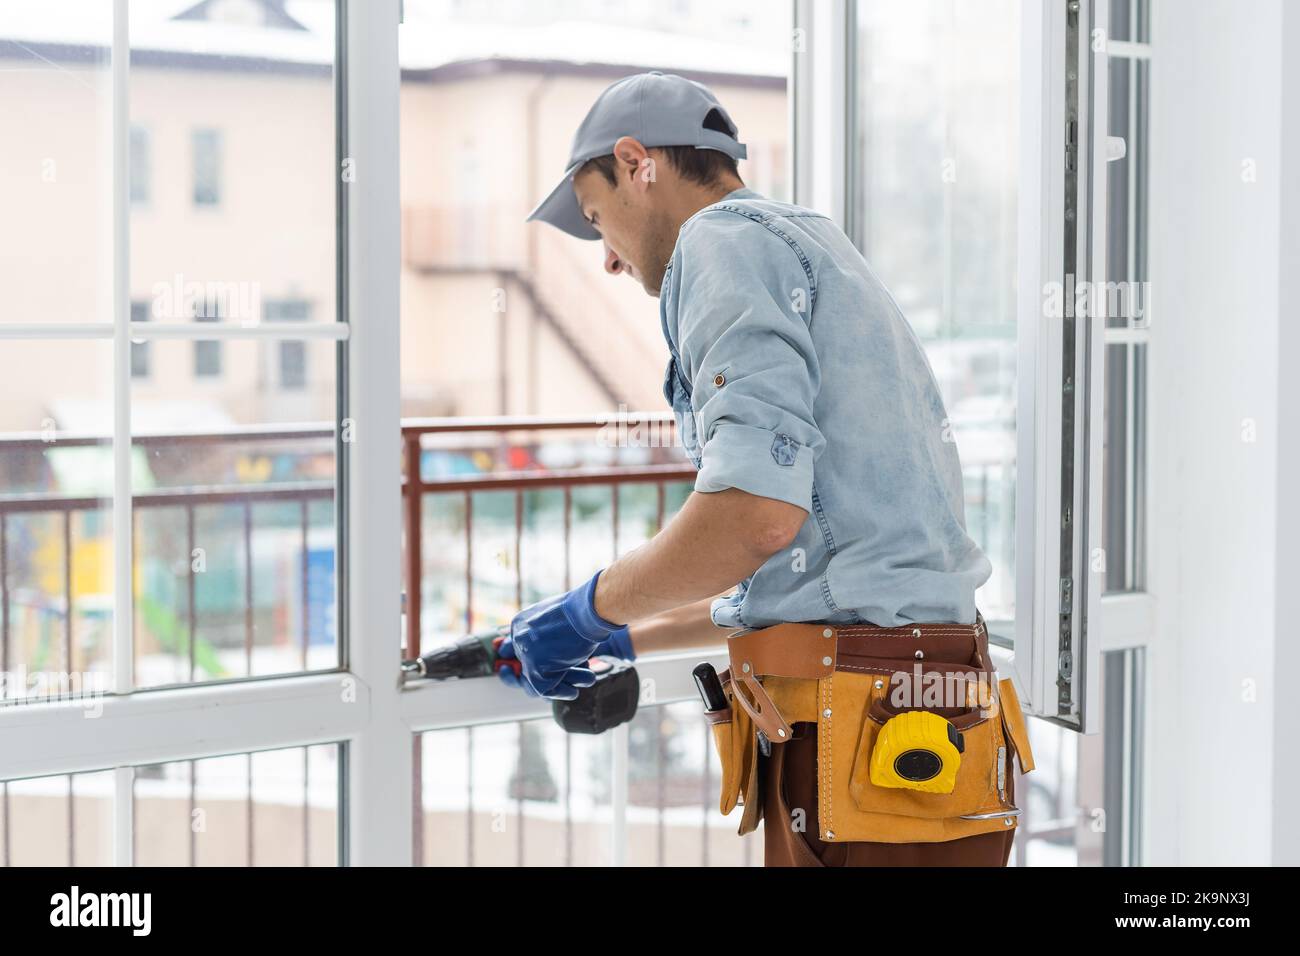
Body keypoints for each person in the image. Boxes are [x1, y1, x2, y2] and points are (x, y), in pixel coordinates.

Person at [501, 71, 996, 866]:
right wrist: (627, 634)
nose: (609, 263)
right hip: (911, 709)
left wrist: (585, 609)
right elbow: (812, 572)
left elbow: (753, 520)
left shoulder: (719, 243)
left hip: (859, 722)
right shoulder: (808, 242)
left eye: (597, 221)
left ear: (637, 163)